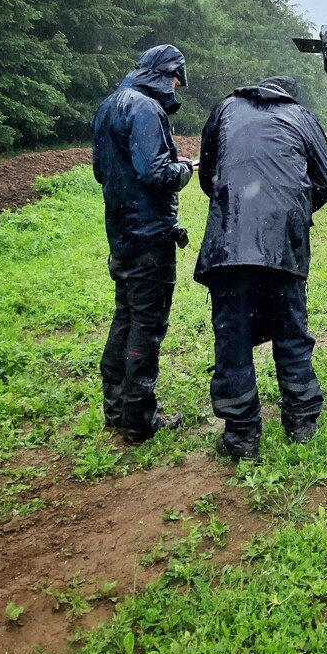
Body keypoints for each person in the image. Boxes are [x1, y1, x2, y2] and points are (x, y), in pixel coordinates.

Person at [194, 76, 327, 461]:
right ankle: (301, 422)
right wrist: (289, 211)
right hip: (283, 244)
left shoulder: (225, 109)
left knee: (233, 337)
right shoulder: (301, 116)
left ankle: (241, 437)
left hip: (229, 243)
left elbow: (208, 174)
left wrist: (237, 205)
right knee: (291, 330)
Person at [92, 45, 194, 445]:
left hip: (120, 235)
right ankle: (139, 420)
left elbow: (100, 170)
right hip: (151, 235)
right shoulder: (147, 109)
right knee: (146, 327)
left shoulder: (108, 106)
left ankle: (116, 410)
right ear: (166, 74)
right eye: (176, 79)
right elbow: (156, 173)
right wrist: (184, 168)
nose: (176, 87)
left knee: (125, 318)